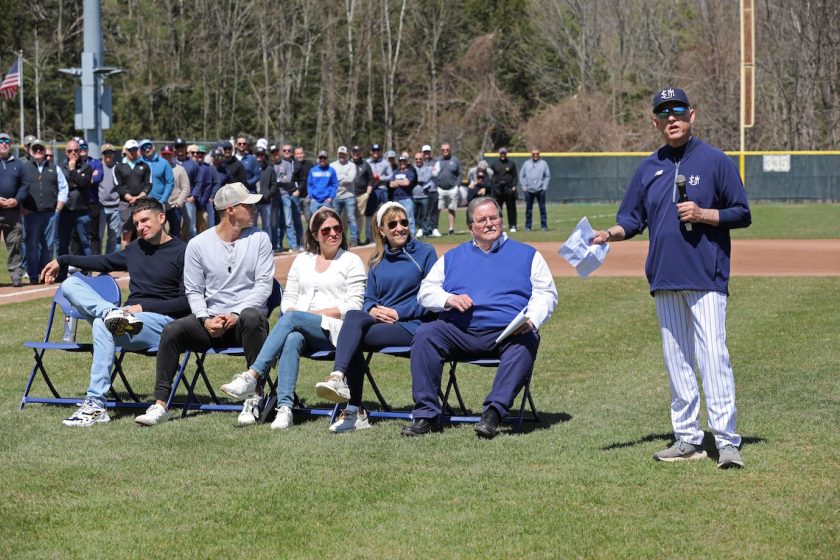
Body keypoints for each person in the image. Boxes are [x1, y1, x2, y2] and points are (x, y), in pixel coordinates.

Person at [590, 86, 751, 469]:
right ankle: (687, 438)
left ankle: (727, 441)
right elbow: (631, 219)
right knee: (676, 360)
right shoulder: (648, 167)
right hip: (664, 278)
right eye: (664, 113)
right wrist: (607, 235)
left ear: (691, 116)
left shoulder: (715, 161)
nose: (671, 119)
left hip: (705, 276)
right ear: (655, 122)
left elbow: (742, 212)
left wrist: (705, 214)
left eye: (678, 111)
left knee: (714, 357)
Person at [402, 197, 558, 439]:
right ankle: (426, 414)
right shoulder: (452, 257)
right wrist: (448, 299)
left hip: (506, 332)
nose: (489, 223)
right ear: (471, 226)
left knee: (528, 338)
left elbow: (546, 293)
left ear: (501, 220)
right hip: (459, 331)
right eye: (482, 220)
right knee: (426, 334)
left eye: (493, 217)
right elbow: (425, 292)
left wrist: (532, 319)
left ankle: (493, 414)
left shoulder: (528, 255)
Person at [40, 199, 190, 427]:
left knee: (103, 324)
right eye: (136, 223)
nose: (140, 227)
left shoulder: (183, 251)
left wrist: (143, 308)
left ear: (162, 218)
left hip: (163, 325)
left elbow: (186, 302)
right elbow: (101, 261)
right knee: (71, 285)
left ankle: (96, 405)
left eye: (145, 220)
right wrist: (63, 260)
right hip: (126, 320)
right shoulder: (135, 249)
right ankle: (110, 313)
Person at [134, 182, 274, 426]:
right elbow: (194, 291)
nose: (255, 209)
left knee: (252, 317)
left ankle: (254, 399)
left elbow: (264, 286)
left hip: (246, 324)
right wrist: (205, 319)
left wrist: (235, 314)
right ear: (230, 210)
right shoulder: (198, 244)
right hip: (211, 323)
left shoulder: (260, 238)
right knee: (172, 330)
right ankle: (160, 405)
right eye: (248, 205)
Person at [219, 206, 366, 430]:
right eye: (326, 230)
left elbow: (353, 306)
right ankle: (285, 409)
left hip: (338, 331)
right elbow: (288, 298)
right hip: (301, 327)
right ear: (315, 235)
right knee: (292, 337)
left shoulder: (351, 261)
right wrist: (295, 313)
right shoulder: (302, 260)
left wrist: (308, 315)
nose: (334, 233)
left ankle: (253, 375)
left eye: (337, 228)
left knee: (293, 320)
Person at [314, 202, 437, 433]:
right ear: (382, 230)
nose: (400, 228)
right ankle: (340, 381)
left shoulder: (425, 253)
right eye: (393, 224)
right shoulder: (376, 260)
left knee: (352, 337)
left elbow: (432, 296)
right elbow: (369, 298)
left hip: (413, 325)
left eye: (404, 222)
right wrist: (371, 310)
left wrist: (399, 312)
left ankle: (353, 407)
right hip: (382, 323)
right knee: (353, 317)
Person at [21, 139, 68, 282]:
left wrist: (59, 208)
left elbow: (63, 188)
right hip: (31, 214)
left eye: (40, 149)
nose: (38, 151)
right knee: (32, 245)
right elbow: (17, 188)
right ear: (30, 151)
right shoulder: (23, 168)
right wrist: (21, 207)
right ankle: (33, 276)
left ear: (44, 150)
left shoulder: (55, 168)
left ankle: (45, 275)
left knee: (48, 246)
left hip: (50, 213)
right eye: (34, 149)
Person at [57, 139, 94, 263]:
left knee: (85, 242)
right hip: (65, 211)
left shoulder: (87, 167)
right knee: (63, 244)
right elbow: (62, 186)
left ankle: (88, 270)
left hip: (82, 211)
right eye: (70, 151)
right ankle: (62, 273)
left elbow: (84, 183)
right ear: (66, 153)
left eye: (76, 150)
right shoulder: (60, 168)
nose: (73, 153)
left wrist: (72, 171)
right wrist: (75, 182)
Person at [0, 132, 29, 286]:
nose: (4, 143)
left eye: (7, 141)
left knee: (15, 246)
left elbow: (25, 184)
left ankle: (16, 278)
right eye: (1, 141)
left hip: (13, 212)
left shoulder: (18, 164)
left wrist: (16, 200)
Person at [113, 139, 152, 248]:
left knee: (142, 233)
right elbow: (118, 185)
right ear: (125, 150)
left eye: (135, 149)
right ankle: (124, 263)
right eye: (131, 150)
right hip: (125, 205)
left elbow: (148, 183)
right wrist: (129, 197)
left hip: (141, 204)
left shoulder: (144, 166)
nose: (133, 152)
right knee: (126, 235)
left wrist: (139, 197)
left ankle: (141, 261)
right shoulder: (119, 166)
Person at [330, 146, 359, 245]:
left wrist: (337, 179)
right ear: (337, 154)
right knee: (336, 220)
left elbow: (350, 179)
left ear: (347, 154)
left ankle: (354, 239)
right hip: (336, 196)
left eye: (343, 154)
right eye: (340, 154)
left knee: (351, 218)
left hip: (349, 196)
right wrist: (343, 177)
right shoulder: (332, 165)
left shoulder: (352, 165)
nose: (342, 156)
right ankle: (337, 239)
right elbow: (331, 180)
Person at [96, 143, 122, 254]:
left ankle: (109, 260)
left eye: (110, 152)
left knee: (113, 236)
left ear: (114, 154)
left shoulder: (118, 167)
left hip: (115, 206)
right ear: (102, 154)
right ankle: (98, 260)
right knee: (99, 236)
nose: (108, 155)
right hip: (101, 206)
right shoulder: (97, 167)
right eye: (105, 153)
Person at [160, 144, 189, 238]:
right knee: (160, 233)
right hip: (160, 206)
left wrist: (179, 202)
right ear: (161, 155)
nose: (166, 156)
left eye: (168, 154)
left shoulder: (180, 169)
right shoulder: (157, 169)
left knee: (175, 233)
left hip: (174, 206)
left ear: (173, 154)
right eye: (164, 154)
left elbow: (186, 187)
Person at [431, 143, 461, 235]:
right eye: (443, 150)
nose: (445, 151)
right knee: (437, 209)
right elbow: (433, 173)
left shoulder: (455, 160)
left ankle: (451, 229)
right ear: (441, 151)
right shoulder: (437, 161)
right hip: (440, 189)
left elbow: (459, 174)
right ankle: (435, 229)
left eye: (447, 149)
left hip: (452, 188)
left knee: (451, 209)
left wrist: (457, 185)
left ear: (450, 150)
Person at [519, 148, 550, 231]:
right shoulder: (526, 163)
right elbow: (521, 175)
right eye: (534, 154)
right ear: (531, 155)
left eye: (537, 154)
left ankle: (544, 226)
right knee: (528, 210)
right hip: (529, 190)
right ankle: (528, 227)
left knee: (542, 209)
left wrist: (544, 187)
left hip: (540, 190)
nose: (535, 155)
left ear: (539, 154)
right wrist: (524, 186)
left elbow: (547, 176)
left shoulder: (544, 163)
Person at [349, 145, 373, 245]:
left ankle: (357, 239)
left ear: (360, 153)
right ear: (351, 153)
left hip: (362, 195)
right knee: (347, 218)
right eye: (354, 151)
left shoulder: (365, 165)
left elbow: (370, 180)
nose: (356, 153)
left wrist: (368, 193)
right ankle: (344, 240)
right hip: (349, 195)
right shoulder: (348, 164)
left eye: (358, 151)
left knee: (359, 218)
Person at [490, 147, 518, 232]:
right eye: (501, 153)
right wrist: (495, 186)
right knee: (497, 210)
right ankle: (498, 226)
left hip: (509, 188)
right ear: (499, 153)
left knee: (511, 208)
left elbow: (515, 176)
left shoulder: (511, 163)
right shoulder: (495, 164)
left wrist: (514, 186)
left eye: (504, 153)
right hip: (498, 189)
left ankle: (512, 225)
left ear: (506, 154)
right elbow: (492, 177)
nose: (503, 155)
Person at [139, 140, 174, 206]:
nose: (147, 149)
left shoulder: (164, 163)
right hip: (142, 202)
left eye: (149, 146)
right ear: (141, 151)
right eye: (144, 148)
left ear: (154, 147)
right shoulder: (138, 163)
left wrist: (162, 200)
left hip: (159, 202)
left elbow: (170, 183)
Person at [389, 152, 417, 234]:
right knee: (396, 219)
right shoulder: (395, 172)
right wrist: (401, 182)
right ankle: (400, 235)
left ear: (406, 162)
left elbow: (407, 183)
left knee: (409, 218)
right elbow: (391, 184)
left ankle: (412, 236)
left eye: (404, 161)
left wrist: (396, 182)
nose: (402, 163)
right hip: (396, 199)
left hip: (406, 198)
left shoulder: (410, 172)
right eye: (400, 161)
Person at [412, 152, 430, 239]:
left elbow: (426, 178)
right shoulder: (412, 168)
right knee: (415, 215)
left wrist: (415, 179)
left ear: (423, 159)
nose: (418, 160)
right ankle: (417, 230)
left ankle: (425, 232)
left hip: (424, 196)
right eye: (416, 159)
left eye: (420, 159)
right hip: (413, 196)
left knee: (425, 215)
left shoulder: (427, 168)